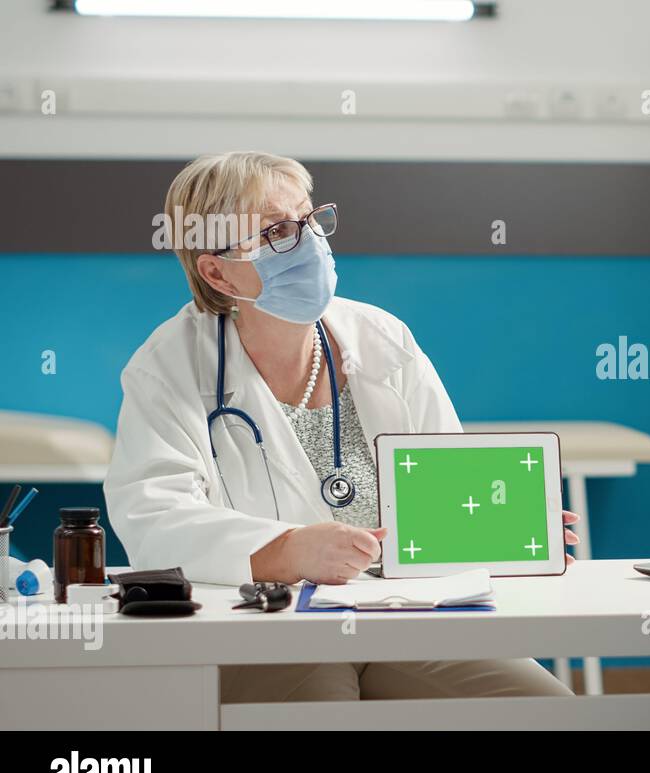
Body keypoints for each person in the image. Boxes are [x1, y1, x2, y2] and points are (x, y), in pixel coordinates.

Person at [104, 151, 573, 701]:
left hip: (404, 618)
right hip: (261, 626)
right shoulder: (169, 367)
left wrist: (505, 535)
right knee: (323, 711)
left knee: (544, 708)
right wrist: (287, 550)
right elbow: (154, 521)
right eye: (276, 231)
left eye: (308, 220)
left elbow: (449, 478)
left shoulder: (382, 337)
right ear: (216, 270)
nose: (309, 243)